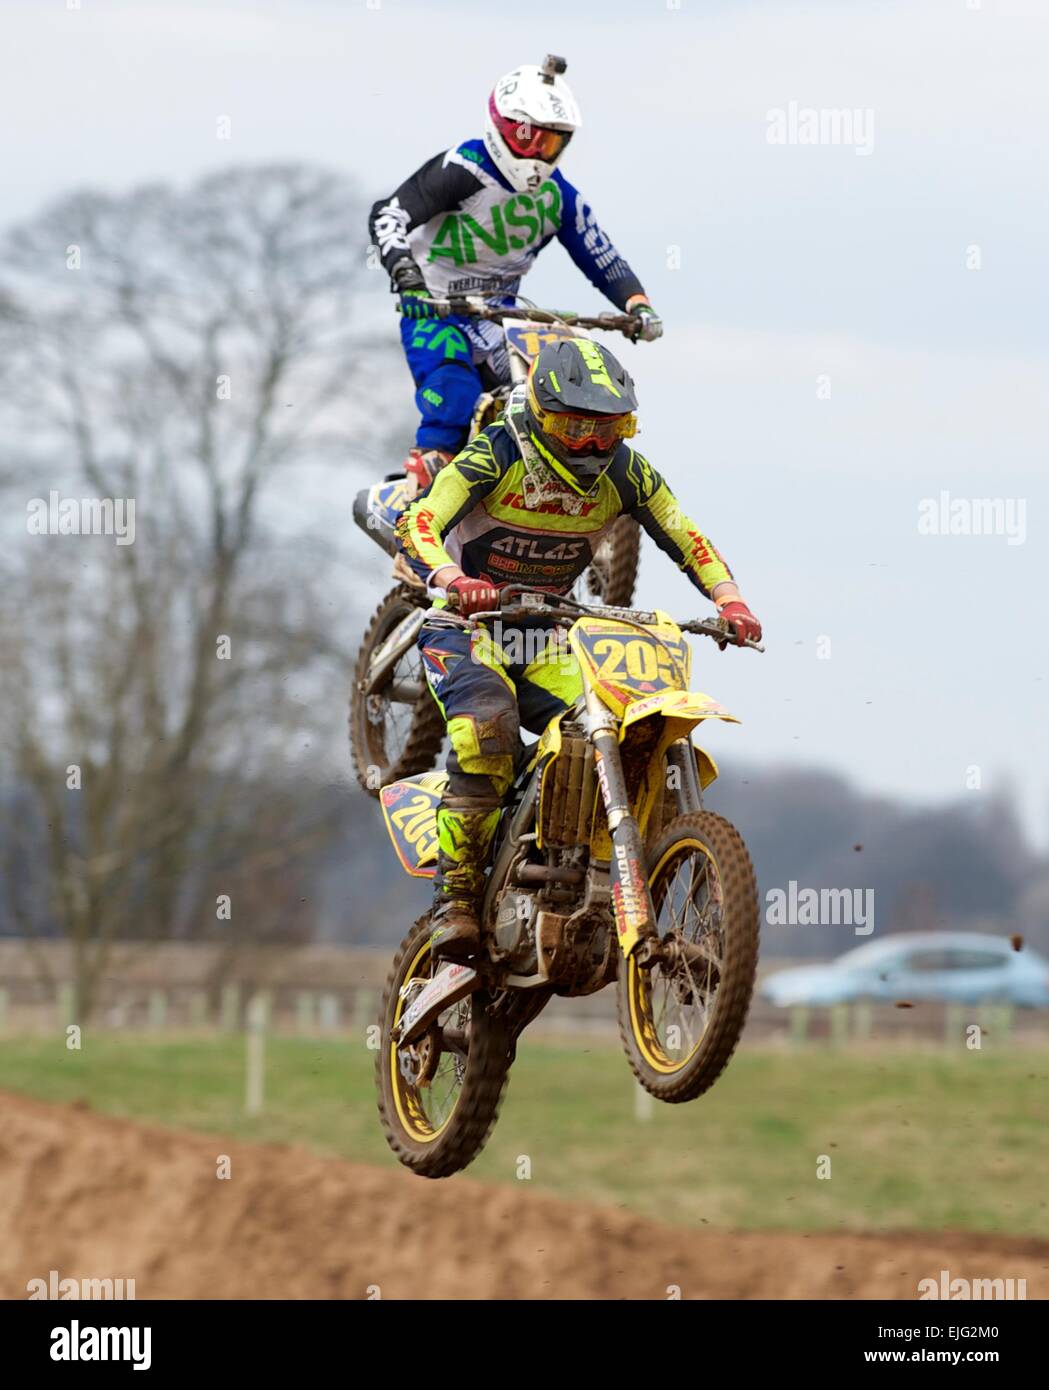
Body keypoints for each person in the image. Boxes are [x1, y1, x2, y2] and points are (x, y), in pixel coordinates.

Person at [395, 338, 762, 960]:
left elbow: (684, 533)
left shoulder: (627, 473)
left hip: (546, 635)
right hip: (466, 627)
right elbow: (420, 521)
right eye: (574, 428)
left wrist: (731, 602)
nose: (592, 445)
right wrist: (454, 579)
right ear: (542, 416)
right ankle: (455, 898)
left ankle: (579, 861)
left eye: (609, 429)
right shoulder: (500, 452)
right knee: (487, 732)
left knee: (623, 722)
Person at [368, 55, 664, 493]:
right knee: (453, 396)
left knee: (556, 396)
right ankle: (419, 499)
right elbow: (388, 215)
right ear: (501, 124)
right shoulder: (462, 168)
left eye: (551, 141)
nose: (537, 152)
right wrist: (405, 273)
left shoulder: (557, 195)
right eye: (528, 136)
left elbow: (597, 250)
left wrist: (636, 303)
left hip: (503, 319)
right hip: (435, 309)